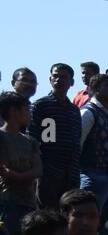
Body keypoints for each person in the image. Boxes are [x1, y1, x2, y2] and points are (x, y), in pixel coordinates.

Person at [28, 64, 80, 210]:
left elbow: (77, 140)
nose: (59, 80)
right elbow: (34, 139)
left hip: (71, 173)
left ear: (71, 82)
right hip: (49, 172)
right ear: (50, 79)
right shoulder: (41, 105)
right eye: (55, 76)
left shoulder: (74, 110)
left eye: (63, 77)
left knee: (68, 214)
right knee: (48, 213)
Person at [76, 75, 108, 226]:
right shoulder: (88, 113)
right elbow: (78, 144)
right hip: (93, 174)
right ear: (96, 89)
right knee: (89, 219)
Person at [0, 93, 41, 235]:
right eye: (27, 109)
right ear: (14, 111)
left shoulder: (30, 141)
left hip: (28, 204)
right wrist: (25, 176)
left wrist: (17, 176)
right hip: (6, 203)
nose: (30, 114)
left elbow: (39, 169)